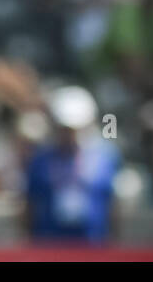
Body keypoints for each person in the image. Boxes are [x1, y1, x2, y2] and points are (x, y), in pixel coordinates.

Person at [25, 85, 119, 244]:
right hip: (49, 245)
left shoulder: (106, 159)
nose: (70, 134)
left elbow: (113, 207)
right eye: (64, 129)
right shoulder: (40, 160)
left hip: (94, 246)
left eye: (75, 129)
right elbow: (29, 206)